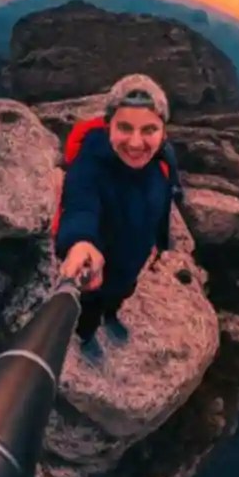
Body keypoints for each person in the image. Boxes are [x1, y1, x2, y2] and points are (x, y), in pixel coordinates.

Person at [53, 74, 183, 358]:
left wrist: (160, 244)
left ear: (163, 132)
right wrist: (80, 242)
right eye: (125, 127)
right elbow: (80, 204)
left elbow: (165, 199)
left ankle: (111, 316)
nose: (136, 143)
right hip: (98, 264)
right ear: (108, 125)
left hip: (133, 258)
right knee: (91, 303)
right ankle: (86, 335)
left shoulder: (162, 160)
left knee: (122, 292)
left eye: (149, 129)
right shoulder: (91, 164)